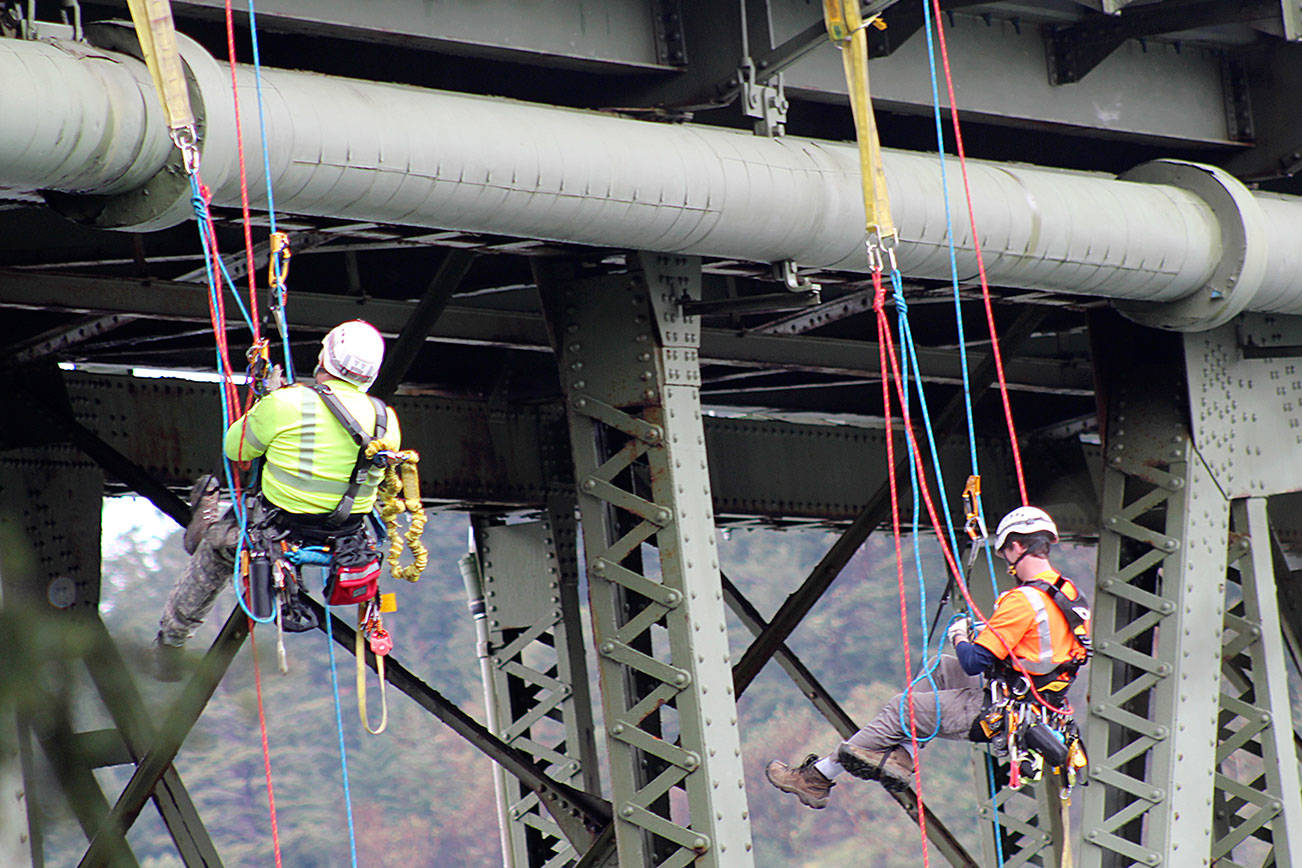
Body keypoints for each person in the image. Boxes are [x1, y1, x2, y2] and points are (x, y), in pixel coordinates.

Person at [764, 506, 1090, 808]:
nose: (1007, 560)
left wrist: (960, 636)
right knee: (940, 668)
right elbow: (1043, 650)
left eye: (1006, 551)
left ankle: (817, 776)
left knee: (903, 708)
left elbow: (974, 661)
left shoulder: (1022, 600)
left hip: (1002, 709)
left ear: (1018, 547)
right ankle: (902, 756)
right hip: (1032, 703)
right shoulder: (1071, 595)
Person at [152, 320, 400, 678]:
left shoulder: (286, 403)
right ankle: (210, 531)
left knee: (216, 545)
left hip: (279, 532)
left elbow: (235, 449)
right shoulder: (385, 418)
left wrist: (266, 409)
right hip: (345, 539)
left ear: (324, 356)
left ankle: (171, 642)